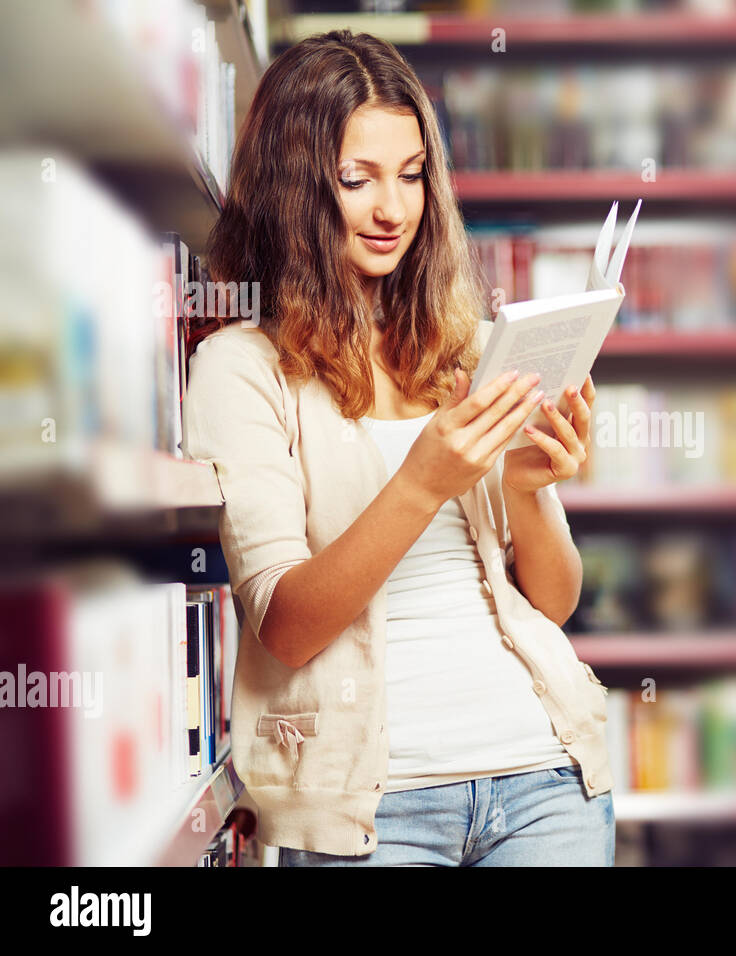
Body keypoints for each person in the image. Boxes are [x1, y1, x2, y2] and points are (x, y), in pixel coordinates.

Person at [182, 29, 615, 866]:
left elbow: (553, 605)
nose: (394, 209)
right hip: (373, 816)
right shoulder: (240, 369)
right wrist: (423, 481)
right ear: (295, 189)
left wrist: (527, 489)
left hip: (545, 783)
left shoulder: (465, 349)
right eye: (358, 180)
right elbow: (288, 627)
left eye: (413, 175)